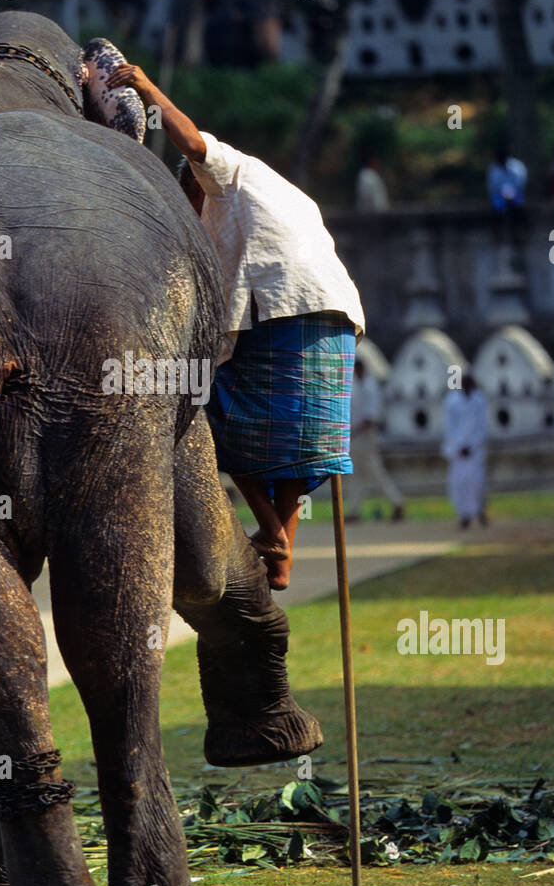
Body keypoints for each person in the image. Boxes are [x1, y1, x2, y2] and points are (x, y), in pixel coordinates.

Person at [106, 61, 365, 590]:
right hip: (335, 311)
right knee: (304, 438)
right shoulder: (284, 195)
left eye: (189, 207)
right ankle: (281, 554)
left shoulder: (227, 174)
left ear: (195, 189)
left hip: (285, 304)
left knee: (209, 412)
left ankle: (269, 528)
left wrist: (148, 89)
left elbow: (194, 145)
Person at [342, 358, 405, 522]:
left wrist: (353, 431)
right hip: (356, 437)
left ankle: (397, 502)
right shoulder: (357, 386)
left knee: (375, 472)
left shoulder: (370, 387)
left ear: (361, 369)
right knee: (356, 475)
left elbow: (371, 418)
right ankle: (354, 511)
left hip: (366, 437)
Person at [442, 371, 489, 529]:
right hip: (457, 450)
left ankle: (480, 511)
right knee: (459, 483)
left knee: (477, 483)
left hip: (475, 450)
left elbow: (482, 426)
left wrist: (473, 445)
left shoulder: (479, 400)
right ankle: (464, 515)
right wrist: (458, 446)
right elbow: (449, 427)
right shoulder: (452, 401)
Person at [487, 144, 527, 213]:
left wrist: (512, 193)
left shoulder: (517, 166)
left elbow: (521, 183)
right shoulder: (493, 168)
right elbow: (491, 187)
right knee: (498, 207)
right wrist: (503, 193)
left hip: (516, 194)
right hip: (499, 196)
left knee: (518, 206)